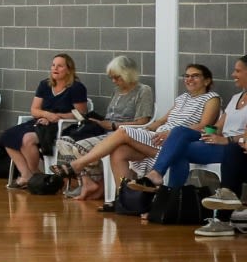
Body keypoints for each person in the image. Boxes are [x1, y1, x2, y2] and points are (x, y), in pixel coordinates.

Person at [59, 64, 213, 204]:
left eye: (195, 76)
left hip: (173, 144)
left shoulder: (211, 98)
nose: (189, 79)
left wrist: (170, 132)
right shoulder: (182, 99)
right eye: (186, 76)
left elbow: (204, 126)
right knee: (119, 152)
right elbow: (161, 121)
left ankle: (78, 164)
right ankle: (126, 200)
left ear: (206, 81)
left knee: (123, 132)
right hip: (157, 138)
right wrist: (148, 129)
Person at [127, 58, 247, 208]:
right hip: (216, 142)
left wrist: (227, 140)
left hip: (234, 149)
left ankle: (164, 192)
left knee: (178, 148)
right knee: (179, 137)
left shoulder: (212, 98)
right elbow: (218, 127)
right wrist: (210, 132)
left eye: (238, 70)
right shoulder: (236, 98)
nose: (233, 74)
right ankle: (170, 199)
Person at [52, 56, 154, 201]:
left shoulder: (143, 91)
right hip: (105, 130)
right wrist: (98, 122)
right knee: (63, 142)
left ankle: (98, 183)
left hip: (122, 133)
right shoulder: (116, 91)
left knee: (79, 147)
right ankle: (88, 182)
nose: (114, 81)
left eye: (117, 77)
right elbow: (109, 116)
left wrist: (113, 125)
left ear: (128, 74)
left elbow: (143, 121)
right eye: (111, 78)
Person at [0, 55, 89, 190]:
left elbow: (81, 114)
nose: (55, 68)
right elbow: (34, 109)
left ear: (69, 70)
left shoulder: (76, 87)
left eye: (60, 66)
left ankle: (36, 176)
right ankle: (27, 174)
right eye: (53, 65)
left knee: (27, 139)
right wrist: (46, 115)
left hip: (63, 125)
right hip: (41, 121)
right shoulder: (45, 84)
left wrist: (57, 116)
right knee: (8, 136)